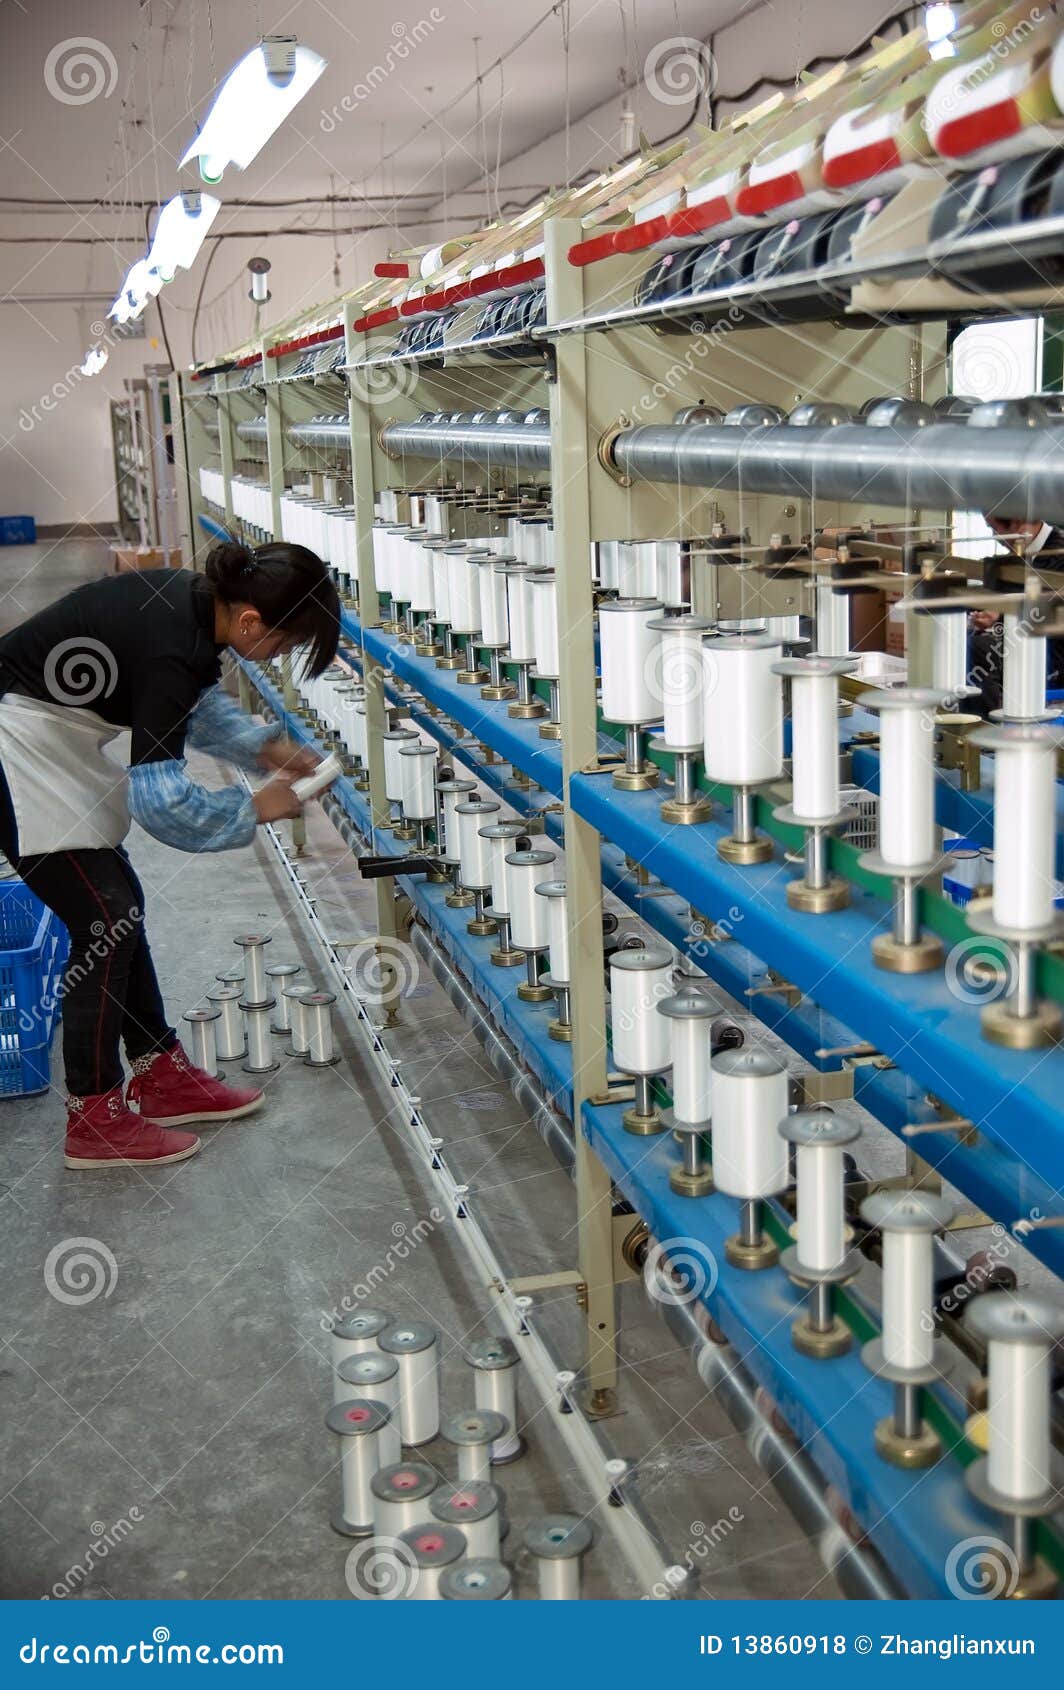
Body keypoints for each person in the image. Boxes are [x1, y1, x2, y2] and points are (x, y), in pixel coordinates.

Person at [0, 540, 340, 1170]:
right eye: (287, 644)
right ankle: (94, 1120)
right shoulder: (171, 644)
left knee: (117, 909)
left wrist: (264, 749)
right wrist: (252, 809)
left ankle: (158, 1075)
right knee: (103, 918)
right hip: (14, 743)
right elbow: (160, 802)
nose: (284, 655)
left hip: (50, 733)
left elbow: (194, 705)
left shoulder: (192, 608)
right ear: (249, 623)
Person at [966, 514, 1064, 716]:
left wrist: (1001, 615)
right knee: (971, 643)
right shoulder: (1019, 555)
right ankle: (978, 725)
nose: (995, 537)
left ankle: (983, 726)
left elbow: (1051, 612)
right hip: (1027, 642)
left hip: (1056, 654)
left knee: (976, 649)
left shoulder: (1059, 554)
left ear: (1017, 524)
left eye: (995, 530)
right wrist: (994, 616)